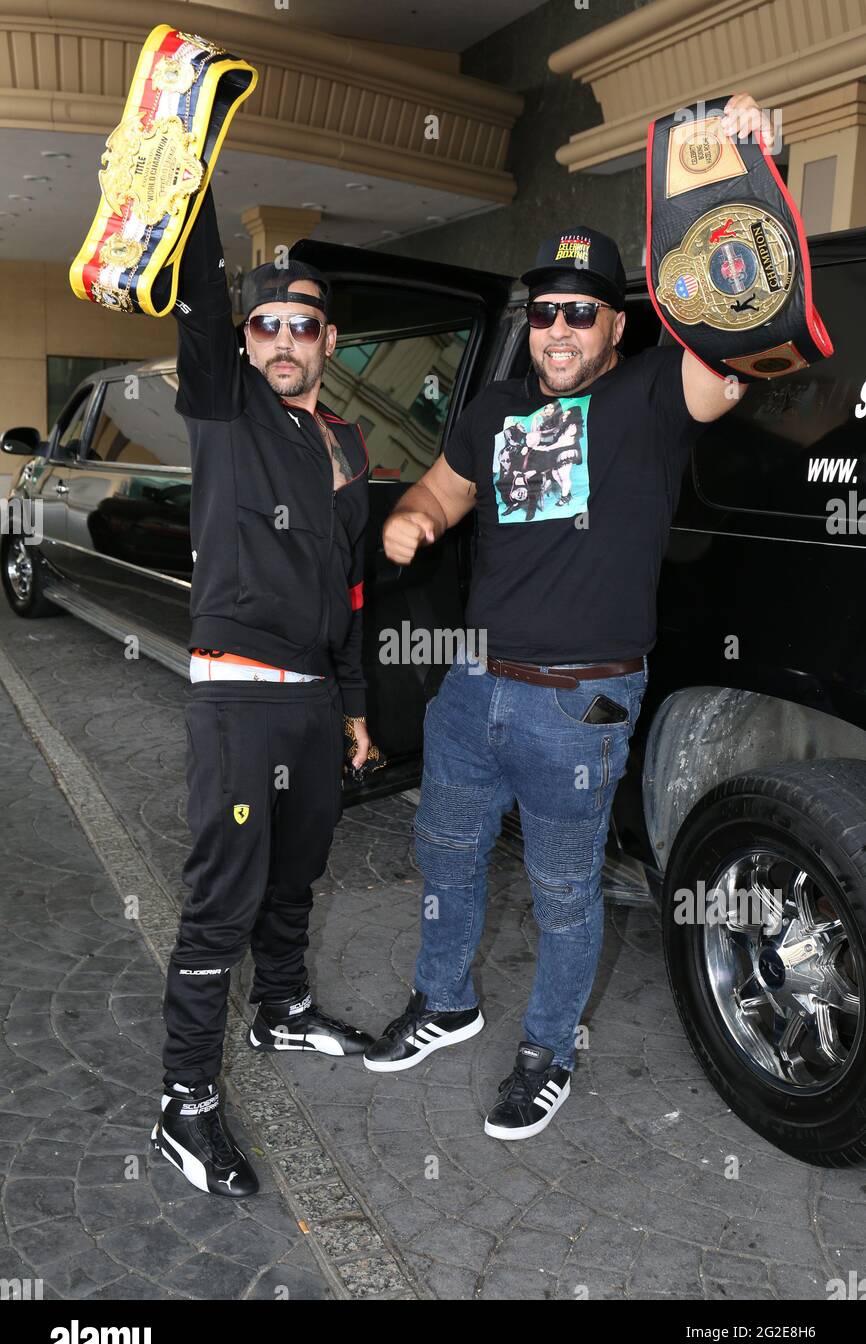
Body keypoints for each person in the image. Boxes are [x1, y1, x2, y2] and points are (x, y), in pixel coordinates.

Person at [364, 95, 776, 1142]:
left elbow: (734, 333)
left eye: (578, 310)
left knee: (560, 888)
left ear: (615, 325)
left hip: (582, 704)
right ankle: (445, 1002)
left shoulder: (651, 398)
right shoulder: (497, 409)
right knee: (446, 855)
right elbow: (439, 494)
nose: (555, 327)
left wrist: (739, 180)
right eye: (542, 310)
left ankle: (547, 1049)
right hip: (472, 690)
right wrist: (409, 518)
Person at [149, 184, 376, 1197]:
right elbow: (195, 301)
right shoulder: (225, 406)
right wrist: (192, 171)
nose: (284, 339)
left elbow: (351, 587)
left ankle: (280, 1007)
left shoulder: (346, 445)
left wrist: (356, 703)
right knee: (222, 901)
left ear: (330, 341)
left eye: (303, 325)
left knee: (294, 876)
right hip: (238, 696)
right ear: (244, 338)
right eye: (265, 324)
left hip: (315, 698)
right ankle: (183, 1104)